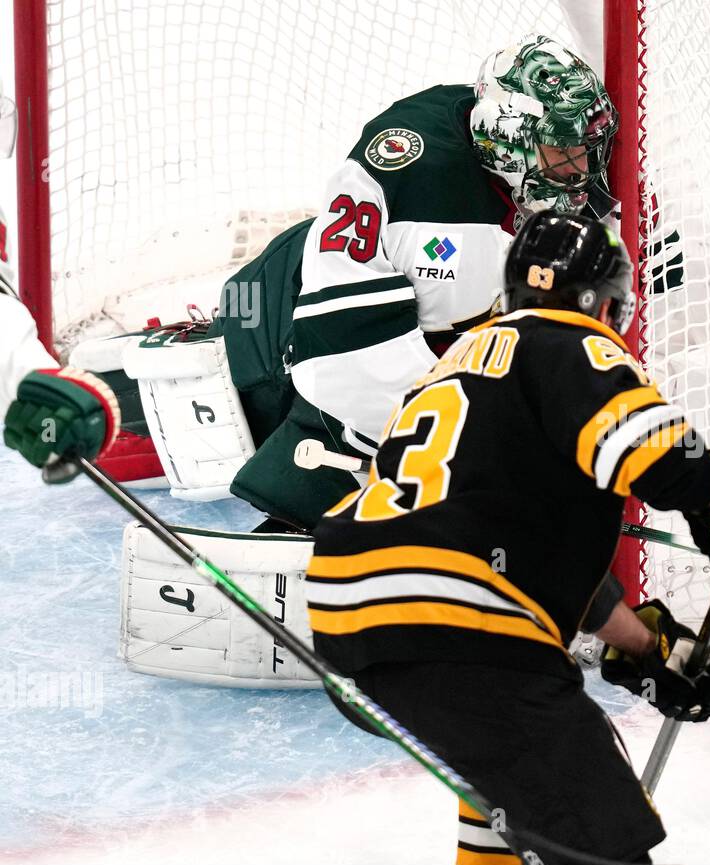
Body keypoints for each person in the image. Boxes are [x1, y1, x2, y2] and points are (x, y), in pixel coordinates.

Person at [3, 35, 636, 687]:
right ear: (508, 141)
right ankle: (115, 412)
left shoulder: (528, 170)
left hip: (389, 325)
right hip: (299, 318)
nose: (580, 167)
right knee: (237, 390)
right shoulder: (419, 174)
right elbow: (348, 366)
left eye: (589, 149)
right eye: (565, 153)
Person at [307, 211, 710, 865]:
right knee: (596, 837)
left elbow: (483, 541)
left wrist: (649, 648)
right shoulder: (571, 341)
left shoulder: (457, 362)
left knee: (511, 791)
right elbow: (652, 452)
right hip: (458, 623)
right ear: (606, 299)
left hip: (356, 621)